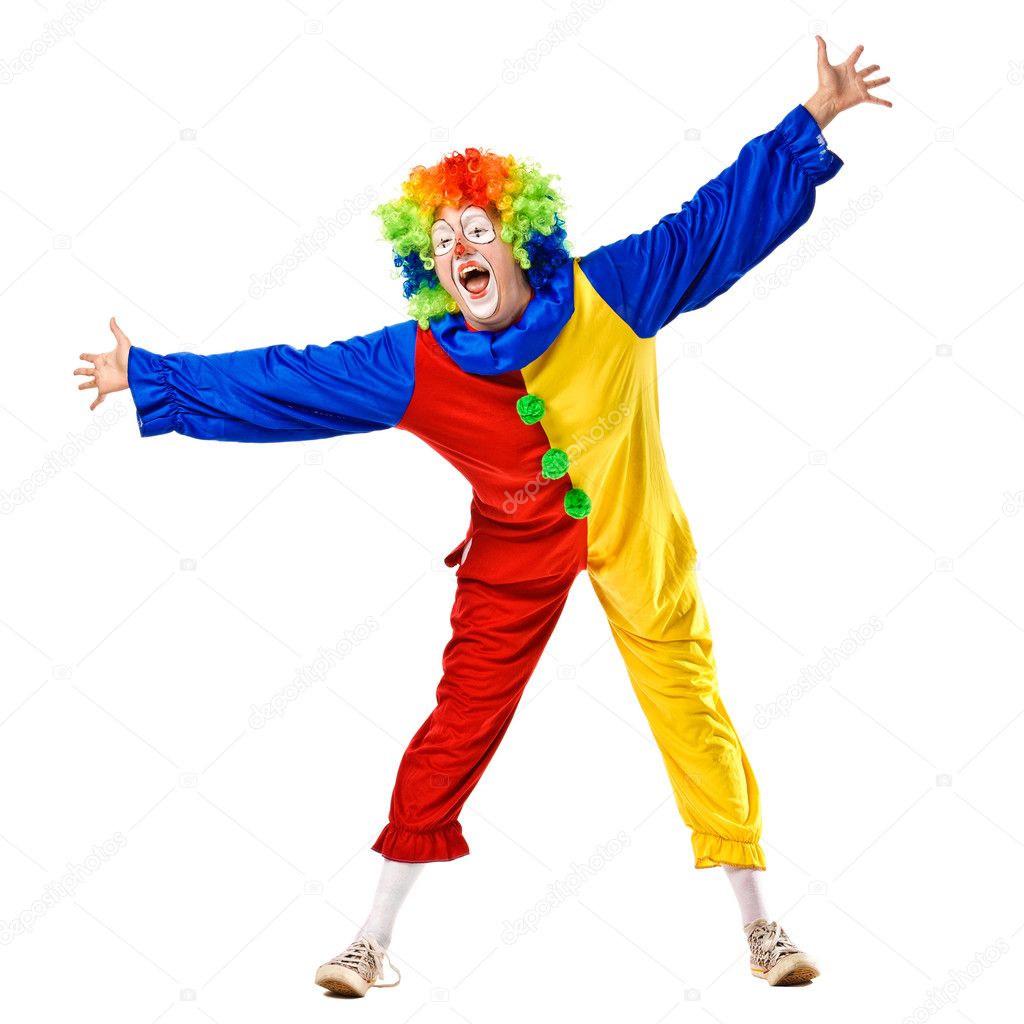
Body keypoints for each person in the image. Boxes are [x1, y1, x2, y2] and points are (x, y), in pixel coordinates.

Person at [74, 36, 891, 995]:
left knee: (690, 705)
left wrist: (812, 120)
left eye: (475, 229)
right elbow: (290, 379)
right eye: (441, 243)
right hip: (513, 551)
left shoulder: (613, 291)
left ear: (519, 237)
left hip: (637, 531)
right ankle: (371, 938)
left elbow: (714, 222)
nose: (458, 249)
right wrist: (153, 376)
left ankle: (761, 926)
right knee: (461, 718)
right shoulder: (418, 359)